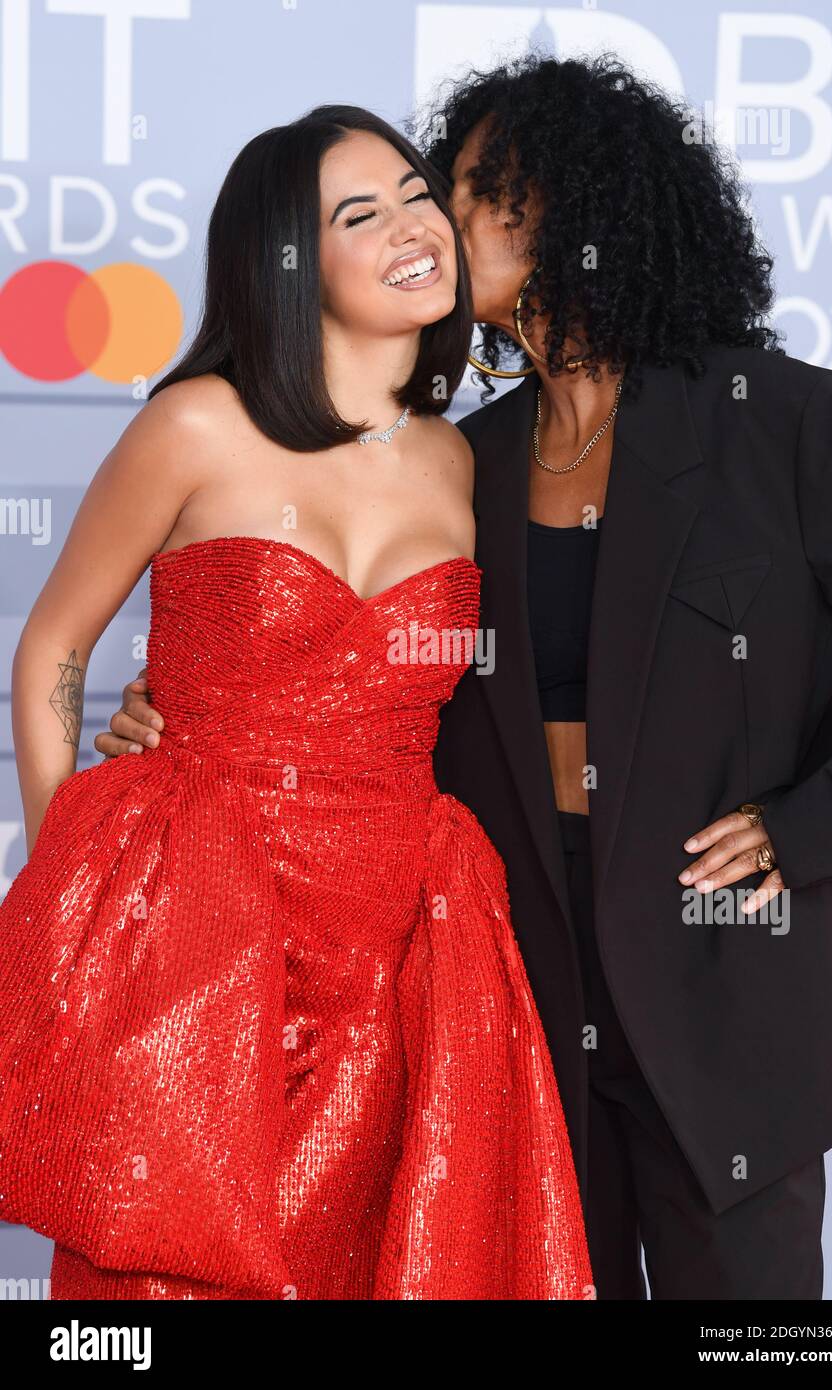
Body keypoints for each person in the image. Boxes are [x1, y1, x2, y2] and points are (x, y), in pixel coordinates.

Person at [107, 53, 832, 1300]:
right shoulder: (458, 459)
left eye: (482, 194)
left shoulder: (779, 419)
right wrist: (187, 711)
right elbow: (360, 679)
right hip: (518, 975)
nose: (443, 223)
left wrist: (814, 825)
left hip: (725, 973)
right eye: (437, 193)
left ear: (588, 205)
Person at [0, 105, 594, 1301]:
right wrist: (88, 897)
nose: (412, 226)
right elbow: (54, 644)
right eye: (356, 214)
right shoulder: (196, 424)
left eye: (418, 194)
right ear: (284, 258)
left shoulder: (461, 459)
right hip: (201, 940)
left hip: (399, 946)